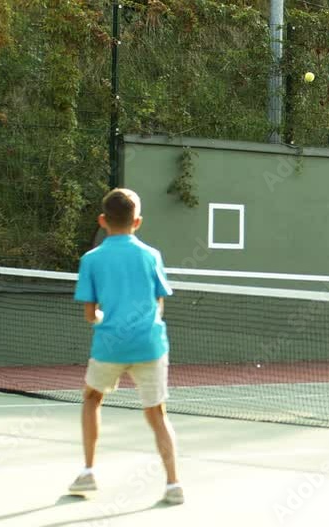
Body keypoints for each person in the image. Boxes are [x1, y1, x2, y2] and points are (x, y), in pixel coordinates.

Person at [68, 188, 183, 505]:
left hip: (110, 345)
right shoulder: (151, 255)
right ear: (138, 221)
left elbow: (91, 314)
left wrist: (108, 317)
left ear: (102, 220)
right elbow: (158, 305)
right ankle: (173, 484)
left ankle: (89, 470)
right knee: (157, 414)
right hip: (150, 344)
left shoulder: (91, 260)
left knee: (92, 398)